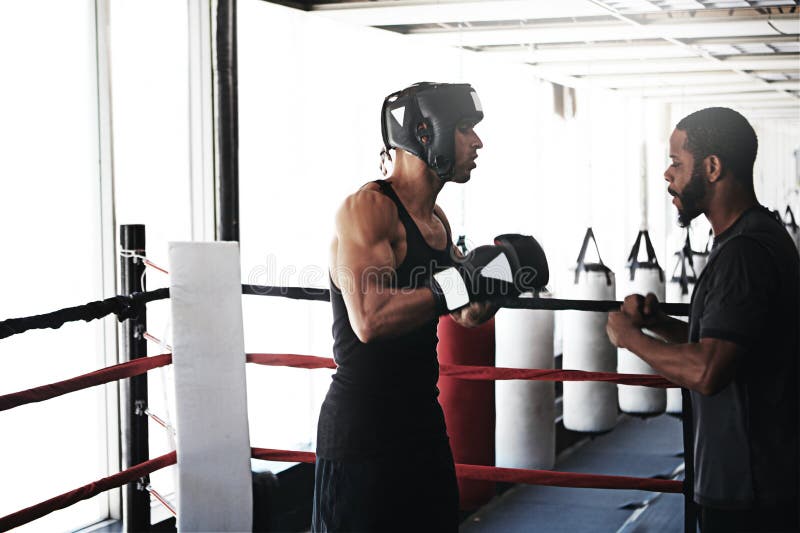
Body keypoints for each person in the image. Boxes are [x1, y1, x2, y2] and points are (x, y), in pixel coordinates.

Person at [311, 82, 548, 532]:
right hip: (364, 431)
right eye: (464, 130)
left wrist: (501, 283)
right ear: (426, 133)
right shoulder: (368, 209)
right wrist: (465, 279)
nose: (477, 142)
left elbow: (463, 314)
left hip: (422, 423)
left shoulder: (436, 221)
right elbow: (370, 319)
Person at [606, 107, 799, 532]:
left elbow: (708, 370)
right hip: (756, 478)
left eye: (677, 163)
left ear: (711, 168)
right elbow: (731, 343)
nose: (667, 175)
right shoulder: (753, 235)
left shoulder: (743, 253)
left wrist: (629, 339)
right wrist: (658, 323)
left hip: (749, 488)